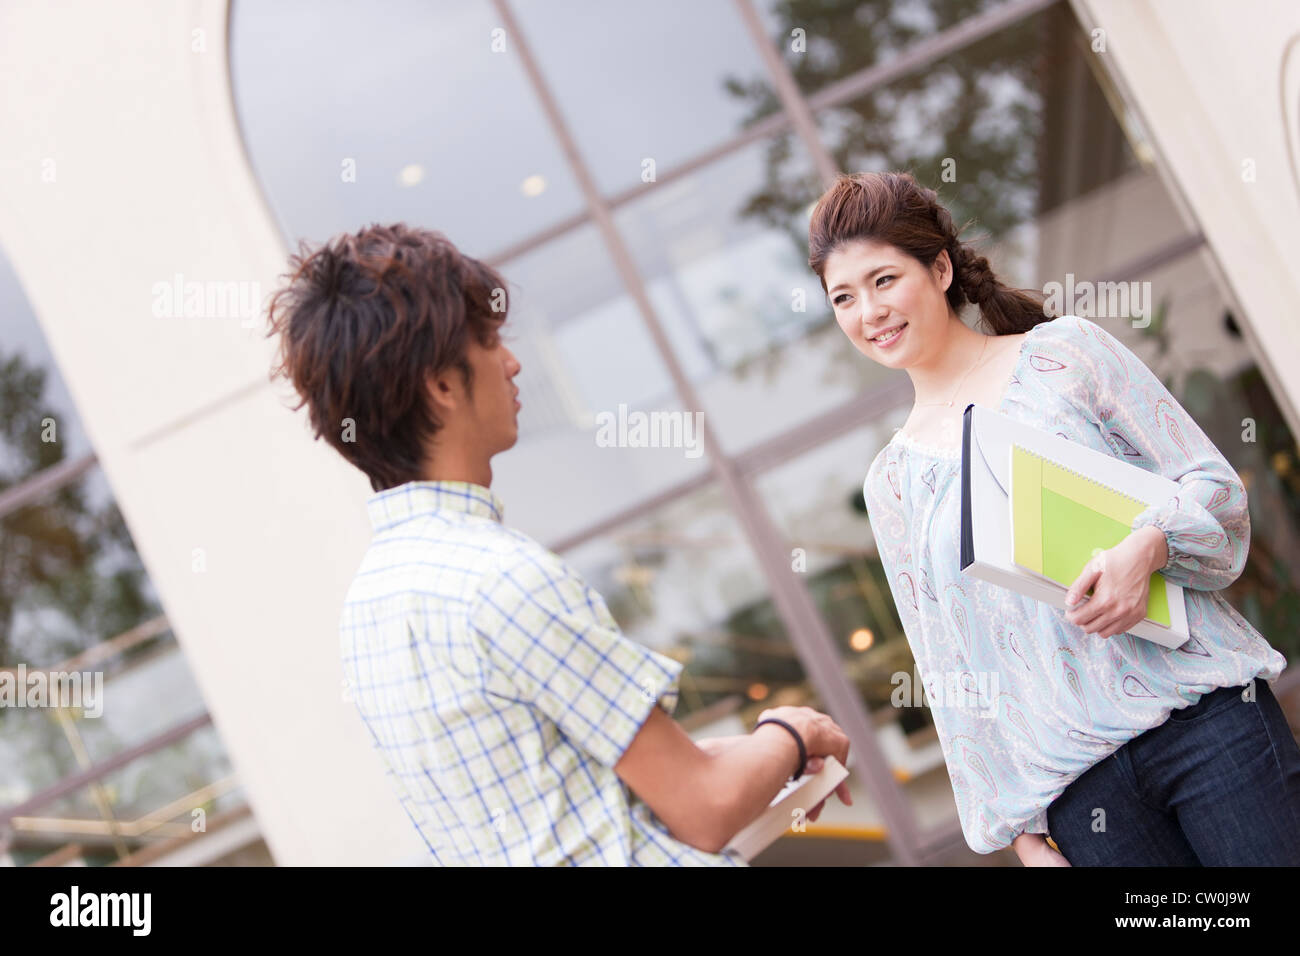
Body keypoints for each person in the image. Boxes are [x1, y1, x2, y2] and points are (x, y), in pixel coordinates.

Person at [265, 222, 851, 866]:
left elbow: (587, 798)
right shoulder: (503, 578)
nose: (511, 361)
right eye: (488, 341)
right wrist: (793, 731)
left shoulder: (370, 609)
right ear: (440, 385)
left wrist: (766, 758)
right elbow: (703, 805)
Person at [808, 170, 1299, 866]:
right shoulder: (892, 483)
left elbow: (1212, 485)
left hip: (1208, 728)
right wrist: (1020, 835)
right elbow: (950, 667)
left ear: (940, 267)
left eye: (885, 280)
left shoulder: (1063, 356)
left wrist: (1150, 547)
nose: (869, 312)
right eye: (844, 297)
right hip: (1083, 796)